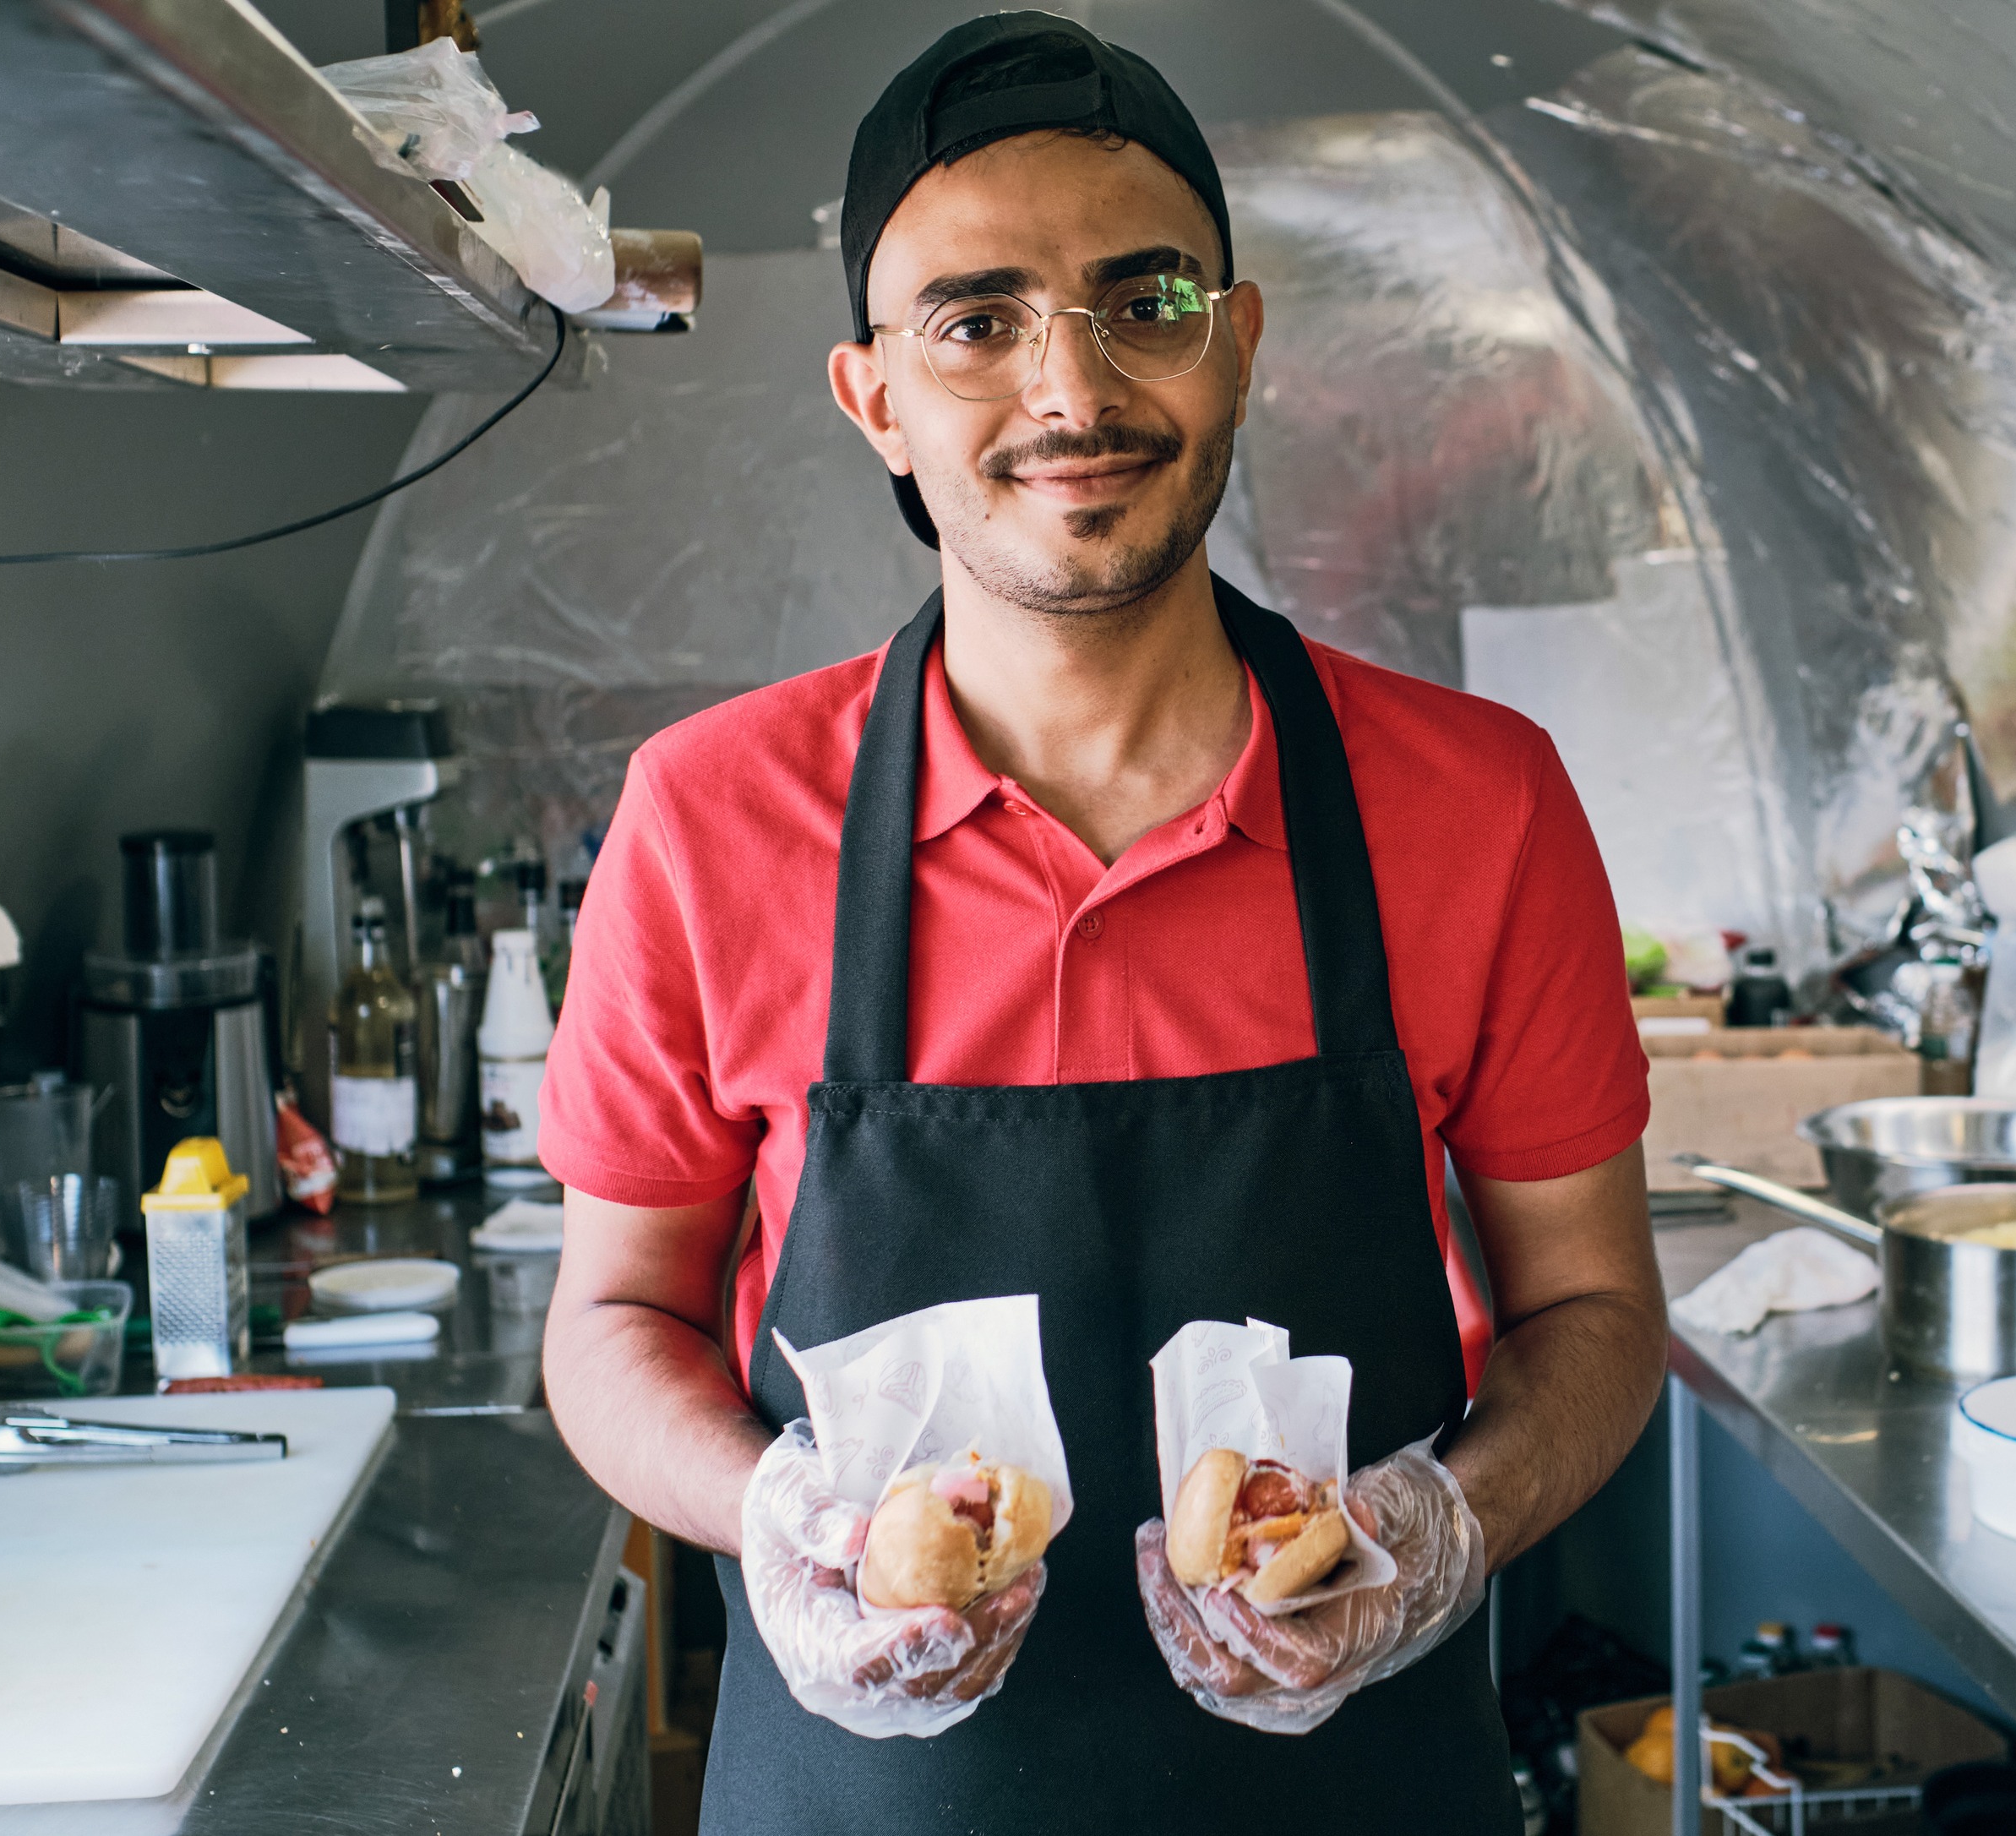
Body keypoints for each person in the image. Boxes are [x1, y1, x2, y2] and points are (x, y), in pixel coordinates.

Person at [537, 13, 1665, 1829]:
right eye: (976, 322)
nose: (1073, 392)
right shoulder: (709, 815)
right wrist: (777, 1516)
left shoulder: (1478, 800)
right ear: (874, 396)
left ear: (1238, 345)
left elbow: (1600, 1308)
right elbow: (607, 1321)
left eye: (1146, 300)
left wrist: (1447, 1525)